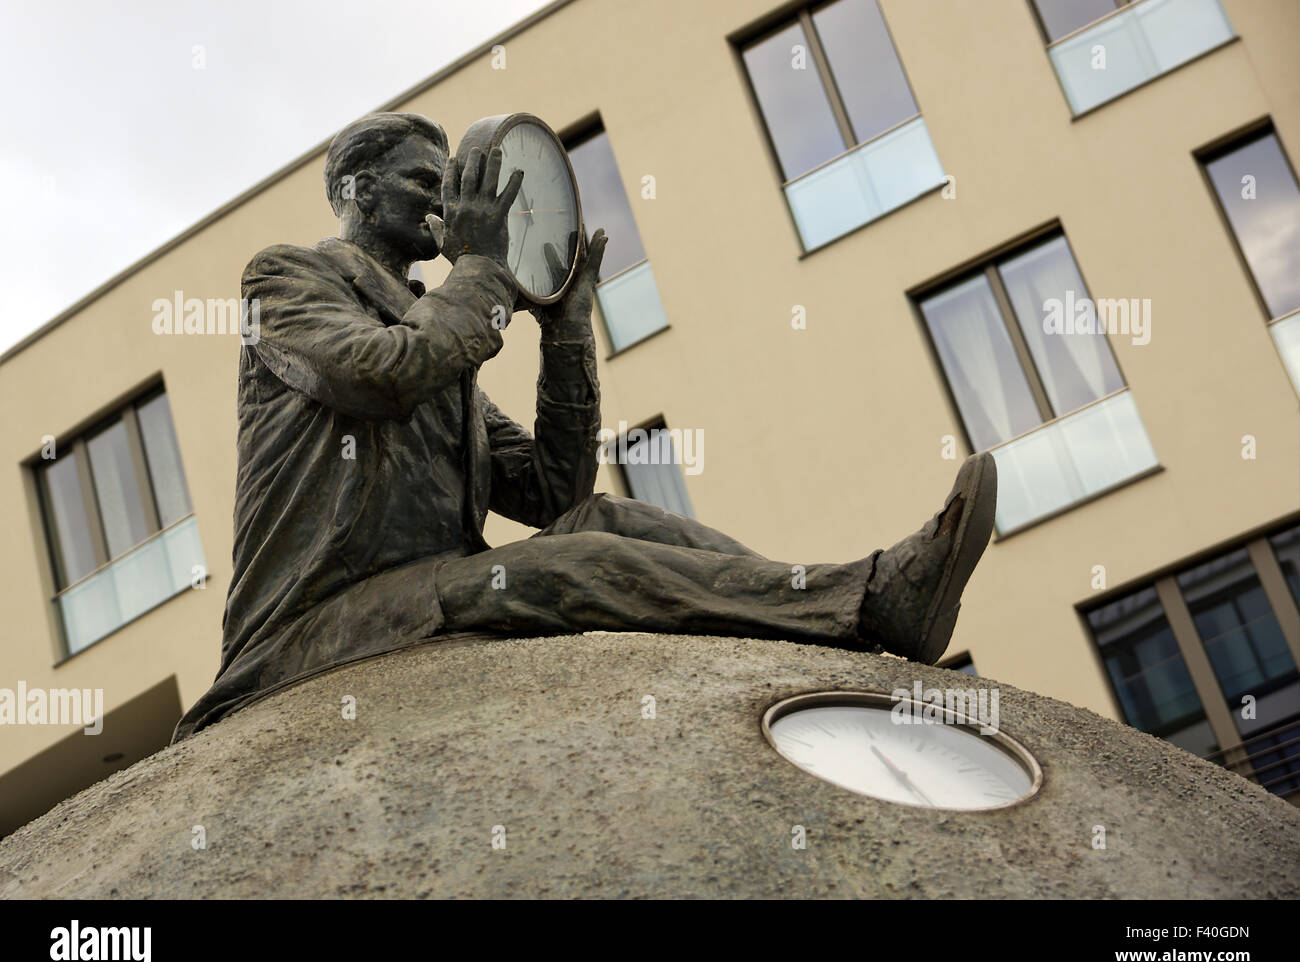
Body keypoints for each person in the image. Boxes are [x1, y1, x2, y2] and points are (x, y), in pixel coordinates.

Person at [171, 112, 997, 743]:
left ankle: (856, 606)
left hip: (415, 597)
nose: (444, 201)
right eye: (424, 182)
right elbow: (381, 375)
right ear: (356, 195)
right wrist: (487, 269)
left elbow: (553, 492)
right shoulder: (286, 279)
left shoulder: (434, 322)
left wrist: (566, 328)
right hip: (314, 628)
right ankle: (861, 606)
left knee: (604, 521)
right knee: (570, 564)